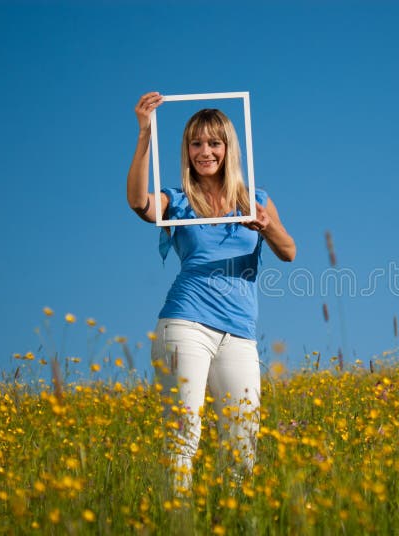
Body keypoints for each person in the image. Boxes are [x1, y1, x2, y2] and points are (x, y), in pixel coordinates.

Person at [126, 92, 296, 492]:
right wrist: (144, 135)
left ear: (228, 148)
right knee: (184, 433)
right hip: (186, 325)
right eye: (196, 143)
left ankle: (231, 519)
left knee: (242, 444)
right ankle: (178, 523)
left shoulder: (255, 199)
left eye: (214, 143)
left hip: (239, 333)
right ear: (186, 149)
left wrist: (266, 224)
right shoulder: (178, 200)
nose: (205, 151)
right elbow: (138, 202)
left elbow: (289, 251)